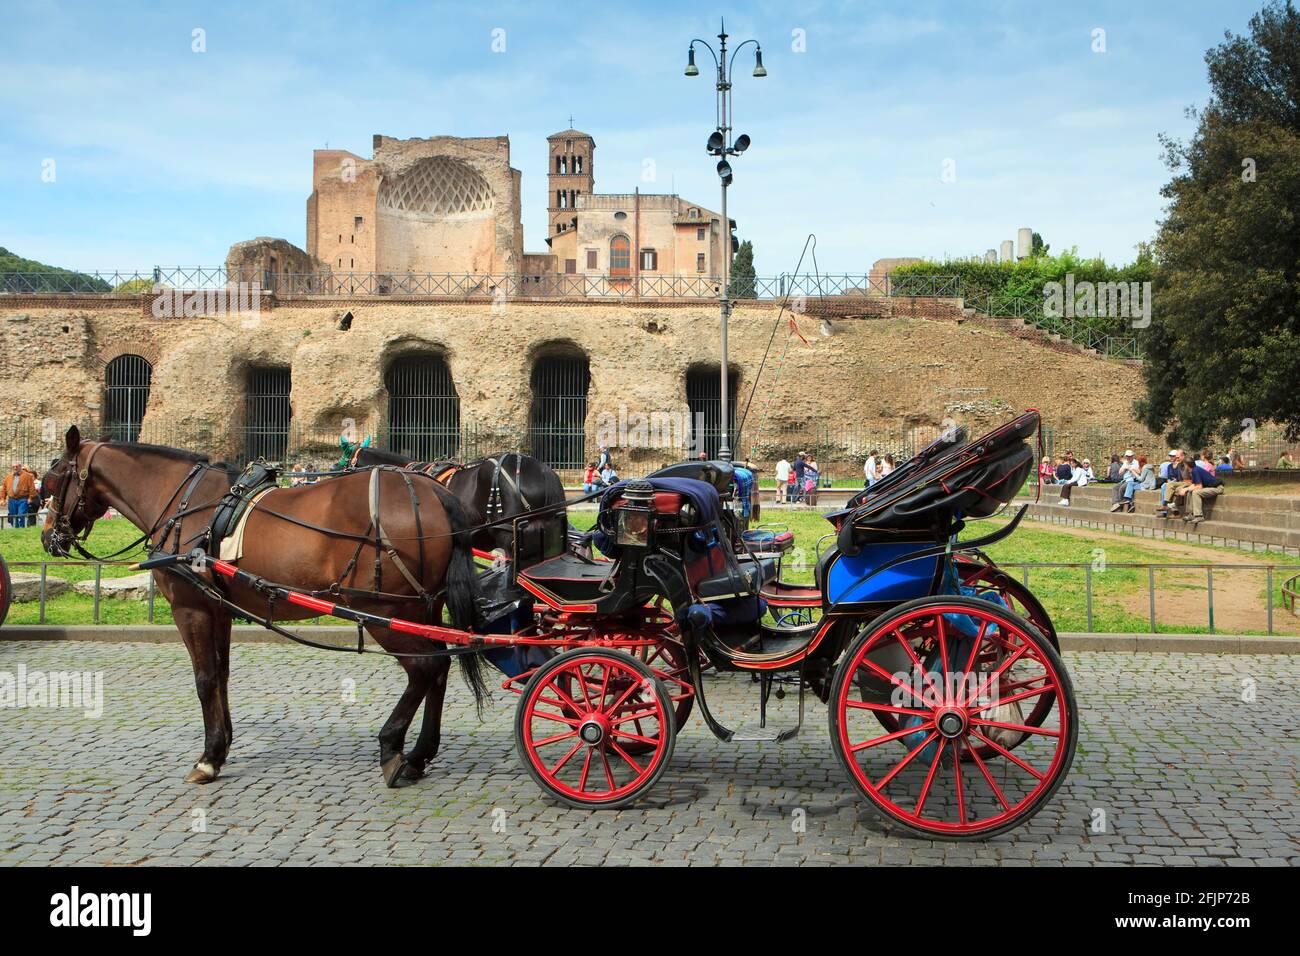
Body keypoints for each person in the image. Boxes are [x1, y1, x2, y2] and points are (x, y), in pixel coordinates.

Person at [1184, 458, 1225, 525]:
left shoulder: (1195, 470)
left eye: (1184, 465)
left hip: (1217, 488)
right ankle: (1191, 514)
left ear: (1187, 465)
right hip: (1210, 487)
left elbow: (1199, 487)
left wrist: (1187, 489)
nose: (1184, 466)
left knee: (1196, 492)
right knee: (1190, 492)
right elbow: (1194, 484)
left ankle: (1199, 516)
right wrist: (1186, 489)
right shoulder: (1194, 470)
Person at [3, 462, 39, 529]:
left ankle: (21, 527)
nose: (15, 468)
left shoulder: (28, 476)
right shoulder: (9, 477)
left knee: (21, 514)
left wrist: (30, 498)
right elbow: (4, 488)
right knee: (13, 515)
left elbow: (32, 488)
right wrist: (3, 499)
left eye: (17, 466)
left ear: (20, 467)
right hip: (11, 499)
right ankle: (16, 529)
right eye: (13, 466)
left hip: (23, 499)